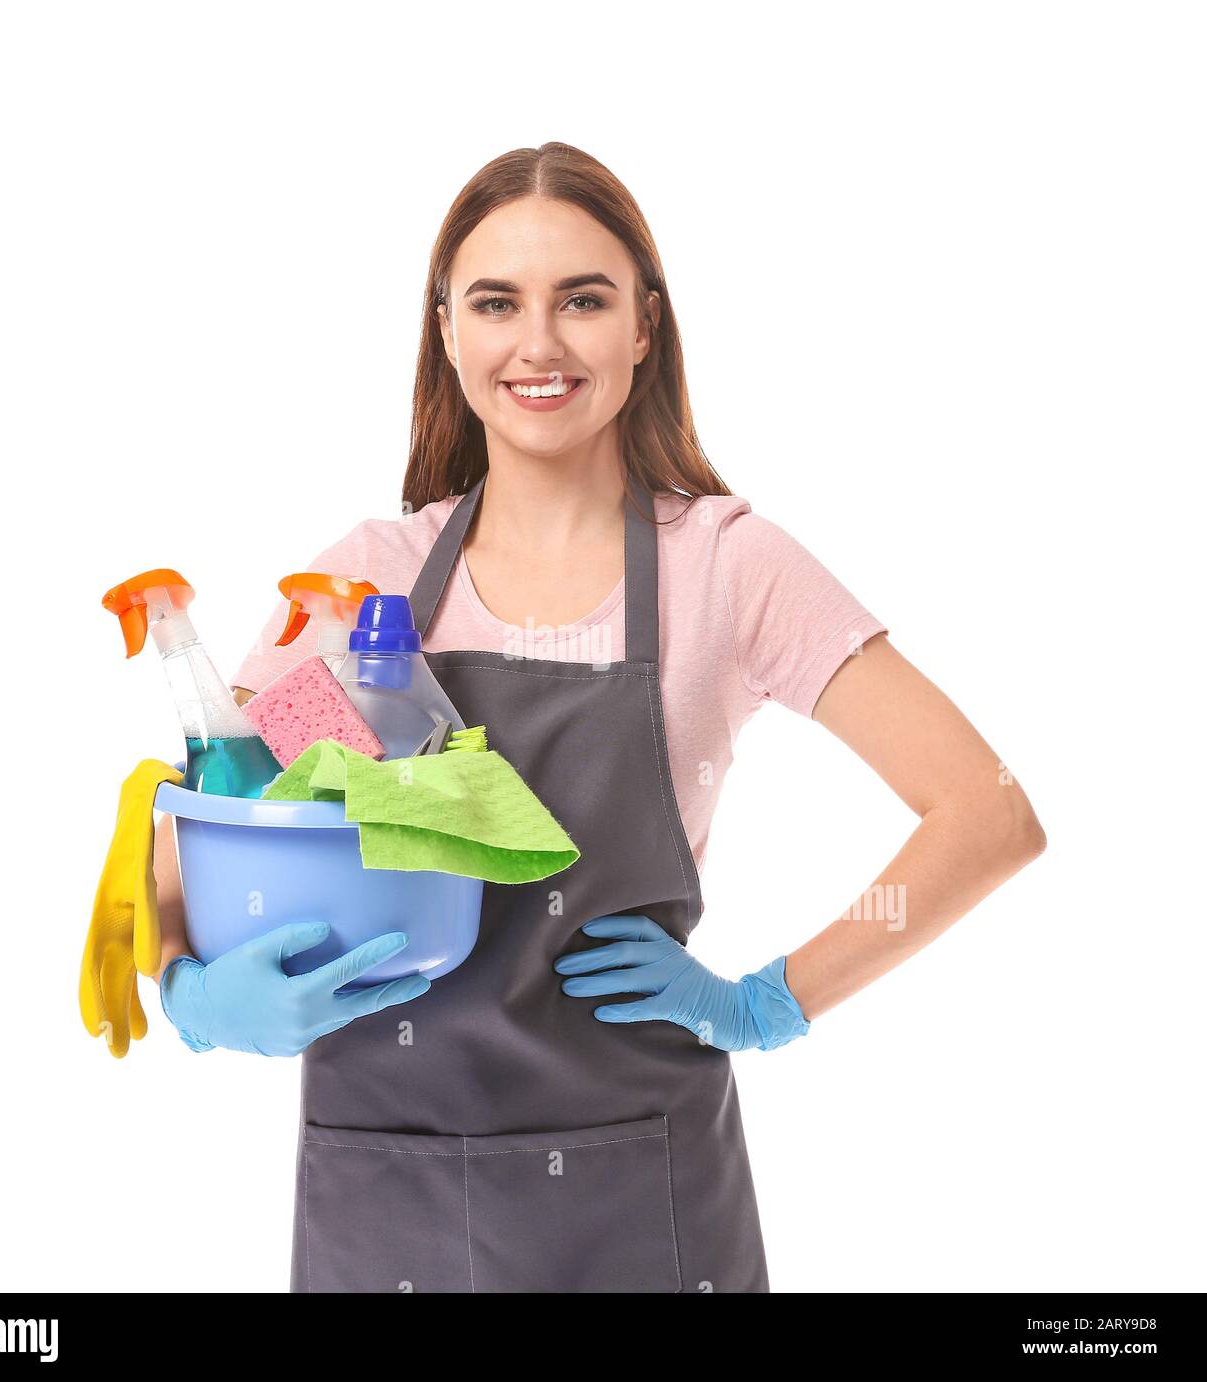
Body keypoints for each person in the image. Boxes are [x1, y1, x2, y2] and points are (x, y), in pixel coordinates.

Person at [151, 142, 1047, 1293]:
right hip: (386, 1191)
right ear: (447, 332)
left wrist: (767, 1002)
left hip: (641, 1199)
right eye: (495, 302)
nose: (538, 342)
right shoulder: (362, 589)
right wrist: (191, 990)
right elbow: (201, 824)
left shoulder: (726, 569)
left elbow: (988, 812)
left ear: (643, 327)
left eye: (583, 298)